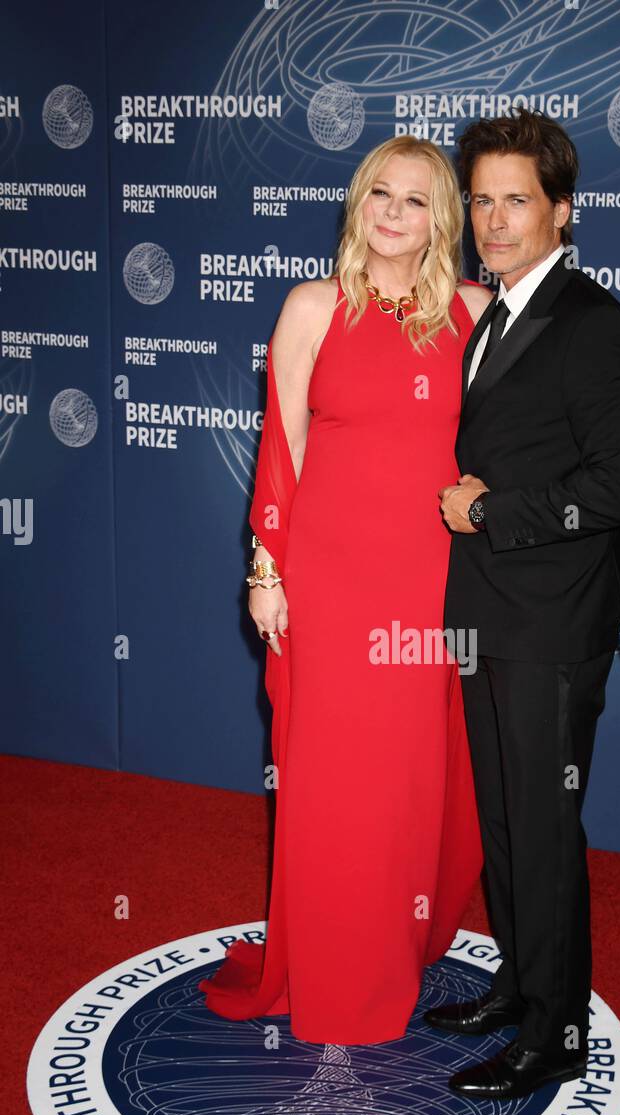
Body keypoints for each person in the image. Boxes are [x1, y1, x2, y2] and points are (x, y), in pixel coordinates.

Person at [200, 136, 490, 1044]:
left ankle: (393, 951)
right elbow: (280, 447)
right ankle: (329, 971)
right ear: (358, 204)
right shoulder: (312, 307)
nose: (393, 213)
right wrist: (265, 570)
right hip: (328, 578)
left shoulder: (476, 312)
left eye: (414, 200)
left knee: (405, 779)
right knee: (327, 777)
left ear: (441, 217)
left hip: (430, 580)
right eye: (379, 195)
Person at [428, 108, 620, 1099]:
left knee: (546, 827)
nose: (493, 219)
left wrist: (492, 512)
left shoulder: (593, 322)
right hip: (489, 614)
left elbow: (618, 484)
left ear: (561, 210)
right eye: (480, 200)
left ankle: (557, 1033)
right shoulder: (493, 311)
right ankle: (521, 986)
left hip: (555, 622)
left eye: (516, 199)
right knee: (507, 820)